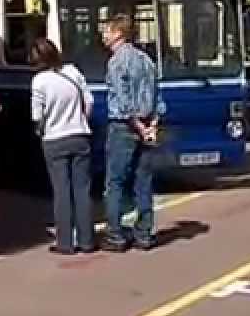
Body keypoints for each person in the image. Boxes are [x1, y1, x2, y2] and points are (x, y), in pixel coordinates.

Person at [100, 14, 162, 252]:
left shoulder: (117, 62)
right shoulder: (146, 60)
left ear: (118, 34)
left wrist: (138, 126)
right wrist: (151, 126)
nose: (103, 36)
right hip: (147, 123)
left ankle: (115, 234)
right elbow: (158, 97)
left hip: (124, 126)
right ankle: (144, 233)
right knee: (143, 180)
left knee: (115, 182)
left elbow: (124, 103)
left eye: (106, 31)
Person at [29, 38, 95, 255]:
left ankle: (65, 243)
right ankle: (87, 241)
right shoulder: (73, 71)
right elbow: (89, 101)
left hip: (55, 139)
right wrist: (80, 120)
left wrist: (41, 130)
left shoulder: (39, 81)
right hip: (80, 135)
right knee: (82, 190)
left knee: (62, 191)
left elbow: (37, 116)